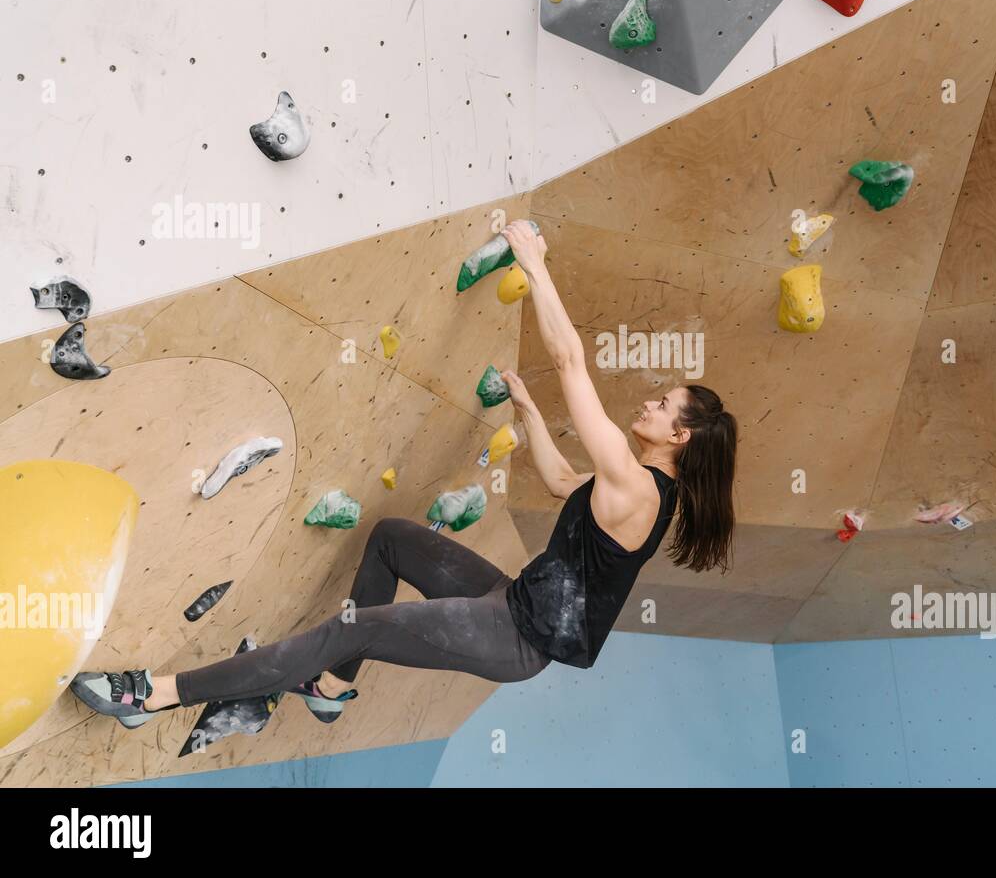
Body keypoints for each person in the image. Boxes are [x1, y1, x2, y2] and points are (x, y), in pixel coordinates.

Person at [71, 221, 738, 728]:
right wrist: (530, 414)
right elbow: (568, 484)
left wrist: (533, 261)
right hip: (512, 598)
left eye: (661, 404)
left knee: (354, 624)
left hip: (517, 638)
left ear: (677, 436)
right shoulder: (635, 491)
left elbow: (570, 364)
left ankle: (155, 693)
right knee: (391, 535)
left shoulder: (640, 485)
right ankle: (331, 687)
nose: (648, 403)